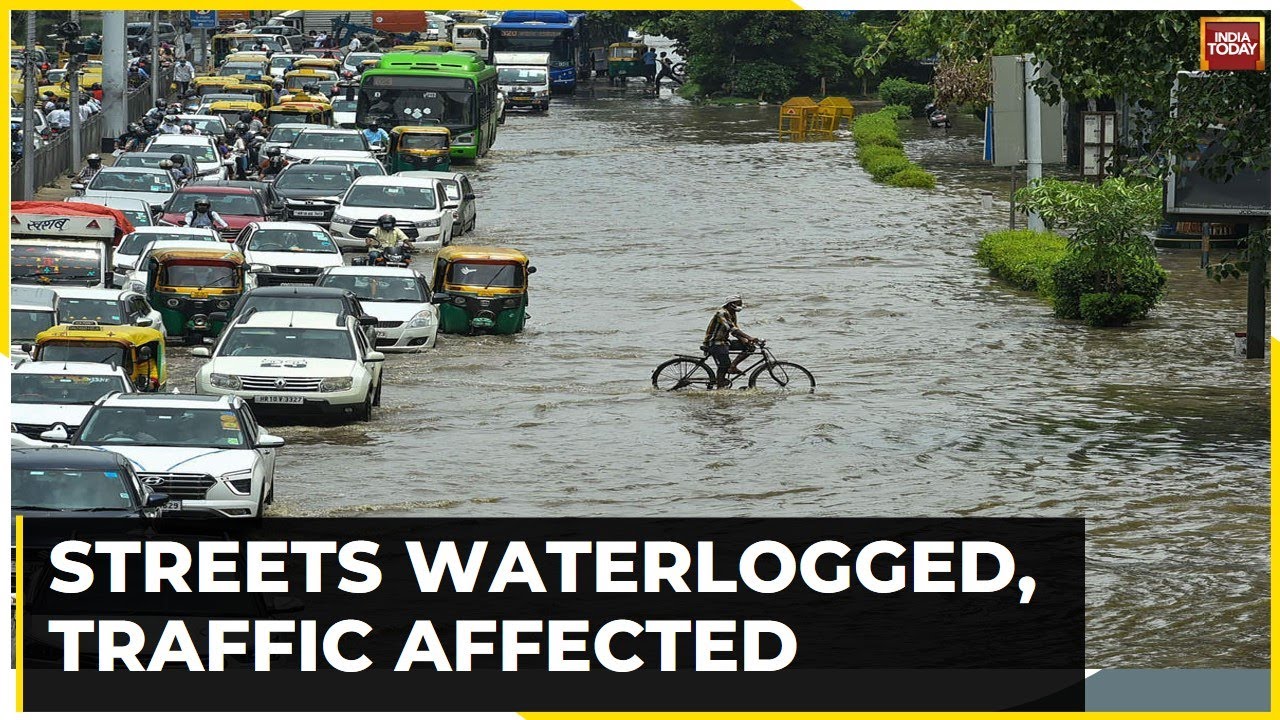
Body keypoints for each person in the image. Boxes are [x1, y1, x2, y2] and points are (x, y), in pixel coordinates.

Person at [703, 295, 759, 389]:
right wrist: (749, 337)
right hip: (714, 342)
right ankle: (720, 387)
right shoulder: (722, 313)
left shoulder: (732, 313)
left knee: (750, 347)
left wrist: (745, 340)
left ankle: (733, 366)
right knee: (724, 364)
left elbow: (735, 331)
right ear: (730, 304)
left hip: (724, 341)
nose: (740, 306)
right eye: (738, 304)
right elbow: (731, 328)